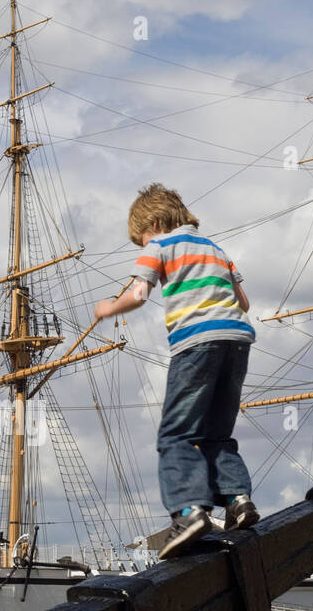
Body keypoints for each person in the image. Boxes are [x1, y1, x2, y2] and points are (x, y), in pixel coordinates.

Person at [95, 183, 258, 560]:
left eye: (142, 238)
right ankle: (238, 501)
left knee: (177, 435)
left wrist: (107, 308)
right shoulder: (216, 249)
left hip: (196, 344)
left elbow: (137, 295)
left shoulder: (160, 247)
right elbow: (243, 302)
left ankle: (189, 511)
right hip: (236, 341)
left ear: (153, 223)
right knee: (216, 432)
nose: (144, 244)